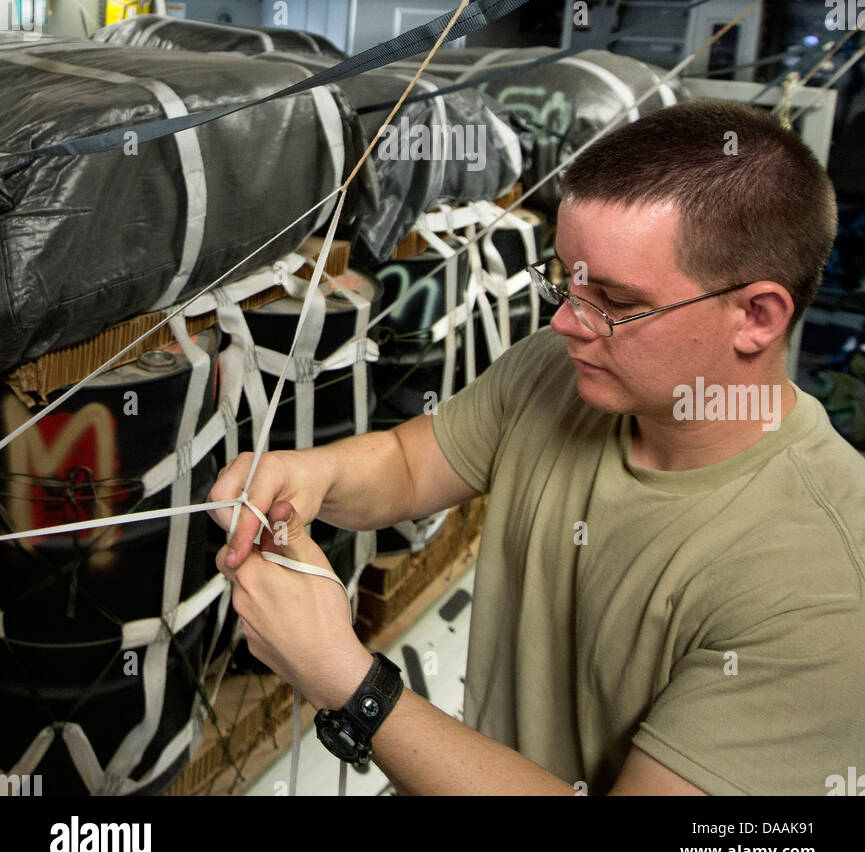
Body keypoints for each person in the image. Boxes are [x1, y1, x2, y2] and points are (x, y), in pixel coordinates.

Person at [209, 98, 865, 796]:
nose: (565, 321)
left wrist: (351, 685)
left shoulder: (824, 585)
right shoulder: (560, 372)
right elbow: (407, 466)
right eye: (567, 280)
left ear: (755, 317)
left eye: (614, 301)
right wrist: (308, 473)